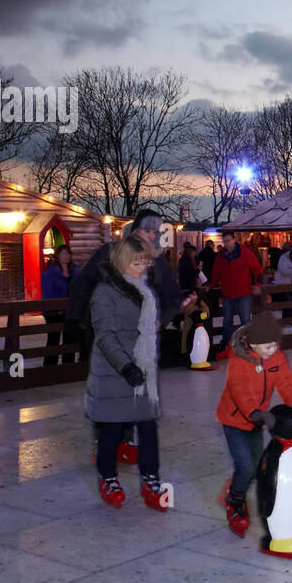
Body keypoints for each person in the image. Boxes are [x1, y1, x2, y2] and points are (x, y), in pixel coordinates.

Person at [86, 234, 171, 511]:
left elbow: (146, 327)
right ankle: (108, 478)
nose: (143, 268)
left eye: (145, 262)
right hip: (115, 370)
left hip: (141, 370)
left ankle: (151, 479)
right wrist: (125, 365)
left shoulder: (144, 290)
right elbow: (105, 335)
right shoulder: (104, 292)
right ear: (123, 262)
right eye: (137, 262)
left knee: (148, 426)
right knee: (111, 427)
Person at [216, 312, 292, 537]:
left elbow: (286, 382)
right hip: (234, 421)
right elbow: (239, 391)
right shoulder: (238, 362)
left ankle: (235, 486)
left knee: (254, 469)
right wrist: (255, 413)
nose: (272, 351)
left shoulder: (276, 358)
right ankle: (235, 502)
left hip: (256, 422)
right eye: (267, 347)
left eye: (275, 345)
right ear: (253, 344)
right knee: (245, 466)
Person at [66, 208, 183, 363]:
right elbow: (82, 286)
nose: (150, 235)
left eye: (154, 232)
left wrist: (160, 321)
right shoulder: (108, 253)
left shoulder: (158, 262)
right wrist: (77, 321)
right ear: (135, 230)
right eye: (146, 230)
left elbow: (173, 296)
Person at [211, 229, 264, 356]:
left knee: (245, 319)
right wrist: (209, 285)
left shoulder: (245, 252)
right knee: (227, 320)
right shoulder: (221, 256)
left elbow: (257, 268)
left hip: (243, 293)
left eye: (228, 240)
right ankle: (226, 344)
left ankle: (248, 344)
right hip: (227, 294)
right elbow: (216, 274)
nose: (226, 244)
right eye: (224, 241)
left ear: (234, 240)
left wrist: (257, 284)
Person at [40, 244, 79, 366]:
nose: (66, 256)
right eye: (63, 253)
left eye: (68, 253)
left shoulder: (75, 271)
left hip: (70, 311)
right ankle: (50, 365)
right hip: (54, 312)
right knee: (53, 338)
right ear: (58, 256)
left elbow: (79, 289)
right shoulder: (50, 272)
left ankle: (68, 364)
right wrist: (57, 307)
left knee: (70, 338)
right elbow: (48, 291)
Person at [274, 246, 292, 318]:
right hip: (283, 284)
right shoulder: (283, 259)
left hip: (291, 284)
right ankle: (285, 320)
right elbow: (284, 271)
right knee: (287, 303)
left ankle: (290, 319)